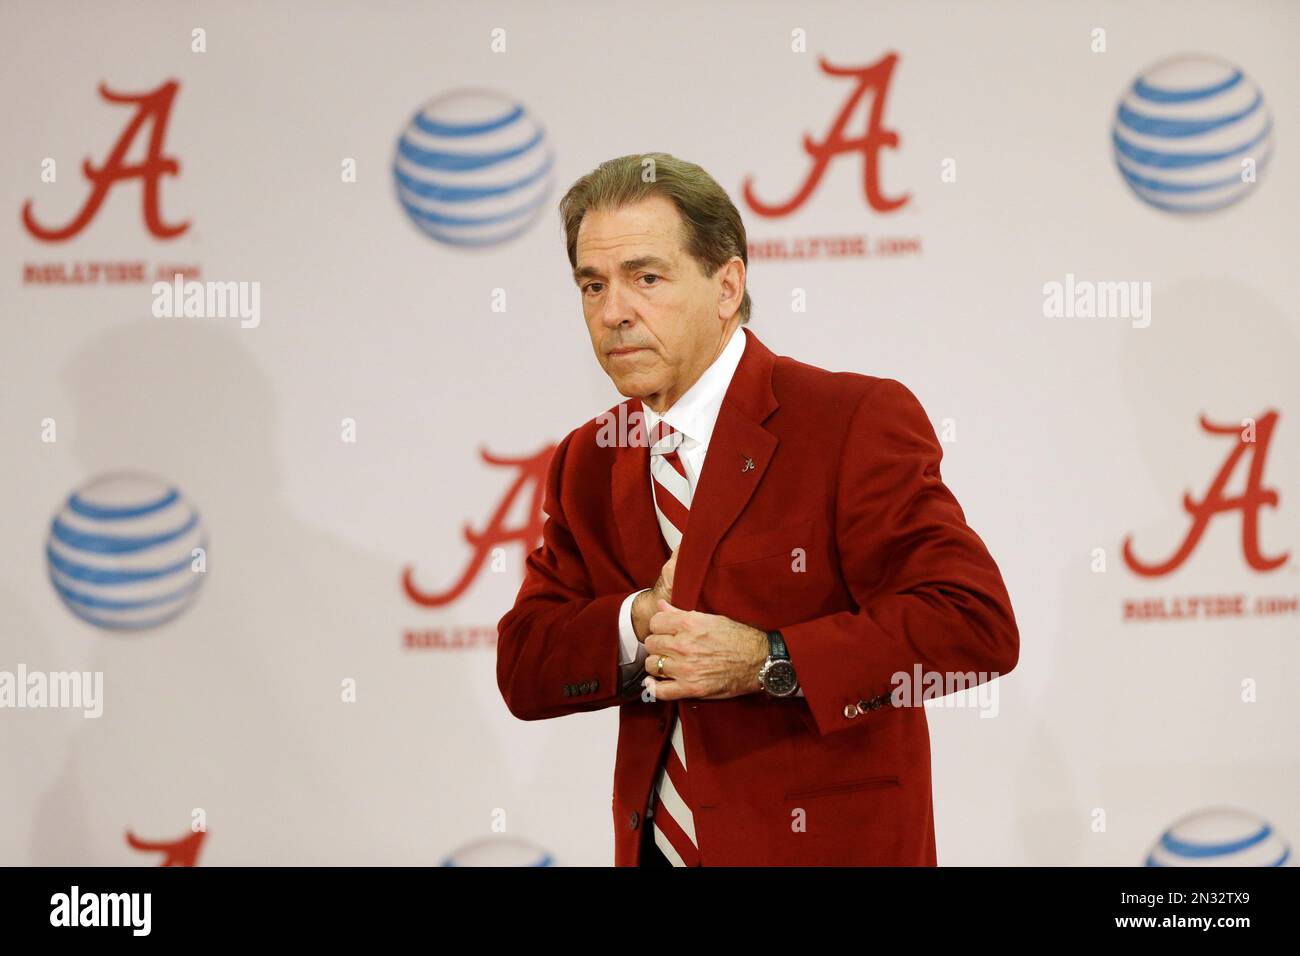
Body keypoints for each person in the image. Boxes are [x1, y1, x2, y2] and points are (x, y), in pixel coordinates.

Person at [496, 152, 1019, 866]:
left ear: (726, 284)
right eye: (593, 285)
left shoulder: (847, 420)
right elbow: (527, 665)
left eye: (645, 278)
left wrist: (770, 660)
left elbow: (972, 624)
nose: (613, 312)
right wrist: (636, 620)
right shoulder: (590, 459)